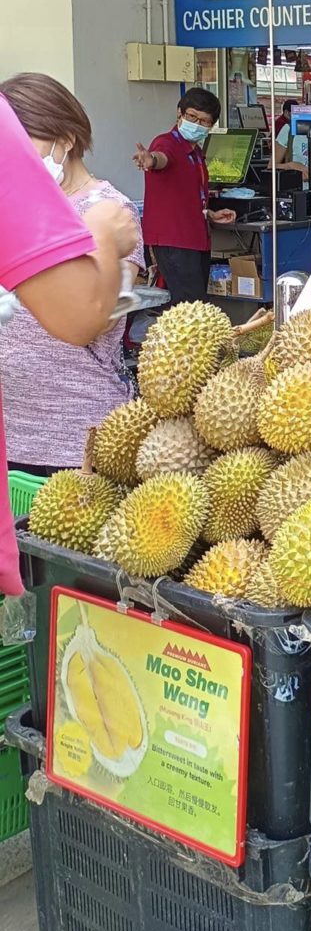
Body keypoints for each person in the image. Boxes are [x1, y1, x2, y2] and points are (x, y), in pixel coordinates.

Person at [0, 90, 139, 595]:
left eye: (25, 143)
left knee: (70, 587)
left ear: (65, 140)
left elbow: (100, 315)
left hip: (74, 435)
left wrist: (96, 236)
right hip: (15, 430)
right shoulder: (17, 210)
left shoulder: (110, 211)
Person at [132, 87, 236, 304]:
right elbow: (162, 158)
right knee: (191, 309)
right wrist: (150, 160)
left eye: (204, 121)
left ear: (212, 125)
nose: (197, 124)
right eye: (192, 117)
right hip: (175, 241)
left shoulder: (196, 153)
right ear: (179, 113)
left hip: (195, 238)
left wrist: (210, 214)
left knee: (190, 306)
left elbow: (187, 196)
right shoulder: (167, 142)